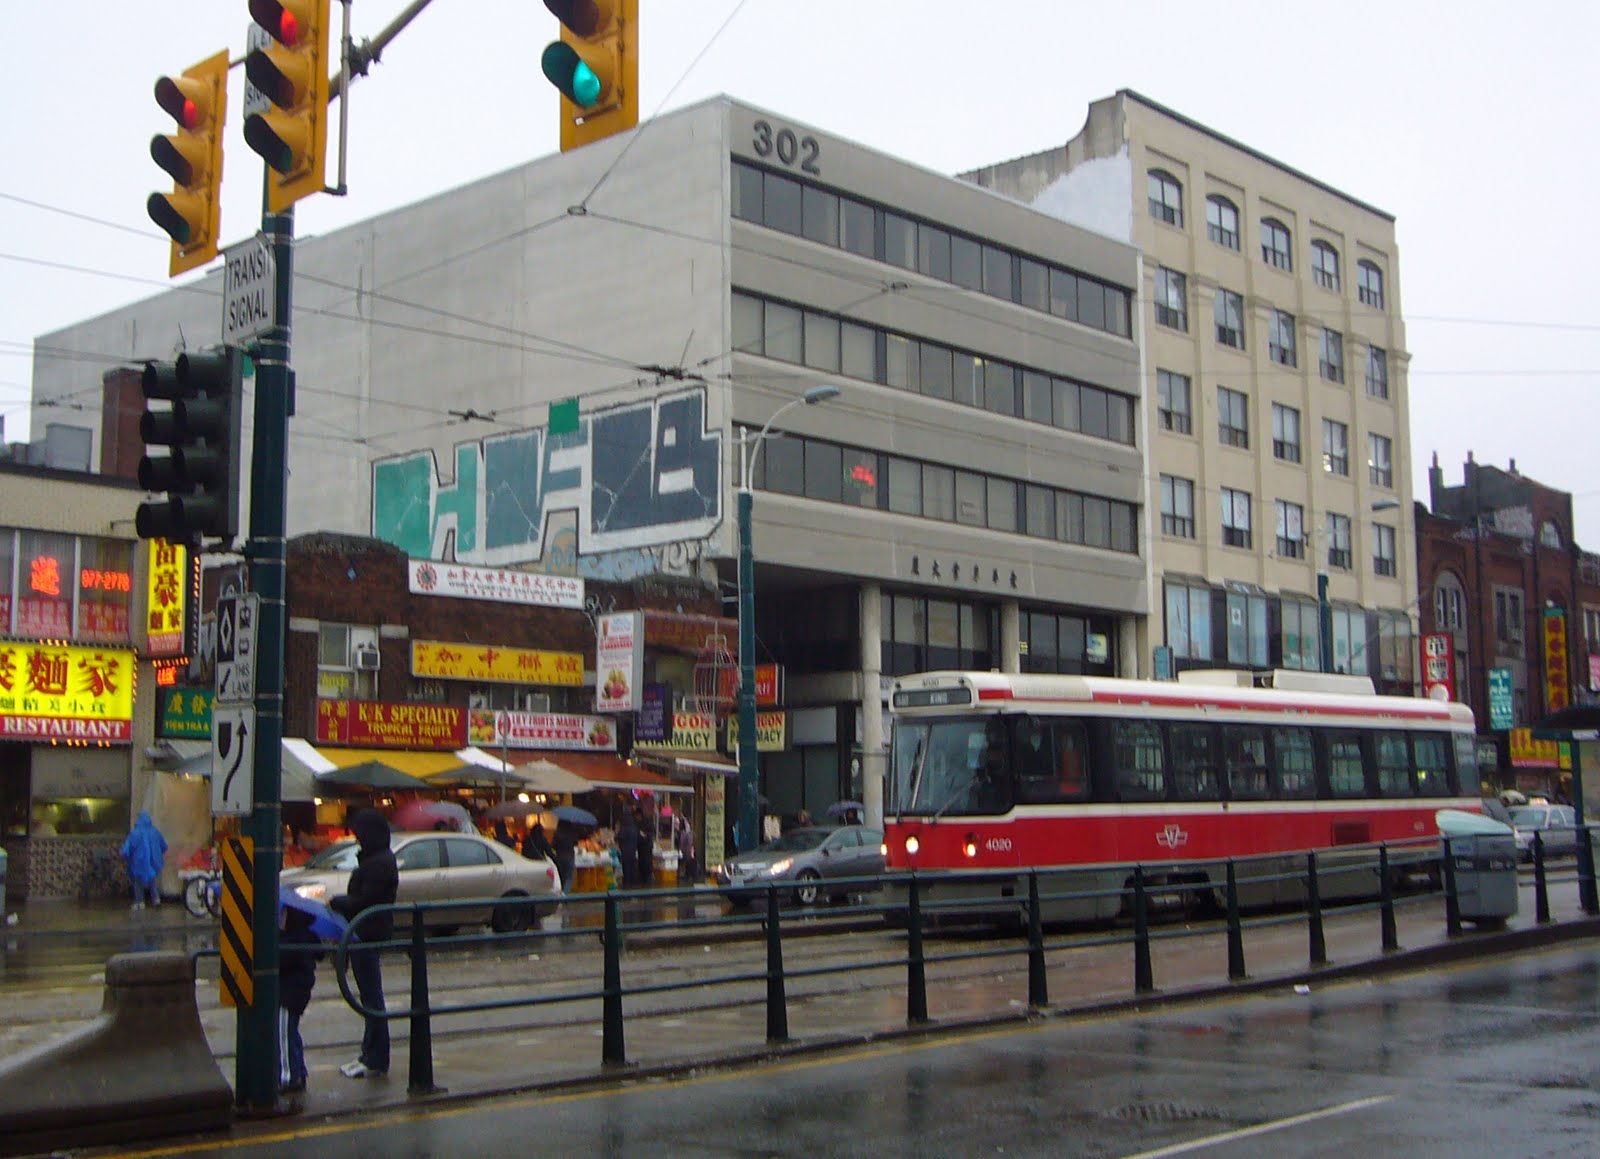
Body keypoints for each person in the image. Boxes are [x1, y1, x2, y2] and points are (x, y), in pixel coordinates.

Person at [329, 808, 396, 1079]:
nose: (356, 839)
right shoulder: (376, 860)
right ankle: (370, 1053)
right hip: (364, 931)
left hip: (366, 932)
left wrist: (339, 902)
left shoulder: (378, 864)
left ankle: (376, 1055)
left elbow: (366, 900)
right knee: (369, 995)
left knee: (371, 997)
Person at [277, 901, 323, 1096]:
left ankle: (288, 1077)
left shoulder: (292, 942)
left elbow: (280, 959)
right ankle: (299, 1071)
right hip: (295, 995)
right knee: (291, 1033)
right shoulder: (304, 938)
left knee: (284, 1036)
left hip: (287, 996)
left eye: (284, 914)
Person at [120, 810, 167, 910]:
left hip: (138, 862)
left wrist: (125, 856)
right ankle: (156, 899)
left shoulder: (135, 833)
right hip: (153, 863)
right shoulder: (155, 832)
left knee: (138, 883)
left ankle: (139, 902)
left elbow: (127, 848)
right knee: (152, 881)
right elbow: (164, 846)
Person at [552, 818, 579, 893]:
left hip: (559, 856)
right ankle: (564, 895)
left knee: (561, 877)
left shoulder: (557, 833)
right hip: (570, 856)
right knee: (569, 877)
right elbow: (576, 842)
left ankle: (560, 894)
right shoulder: (572, 832)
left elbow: (553, 845)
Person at [615, 810, 641, 888]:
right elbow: (639, 838)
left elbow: (619, 837)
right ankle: (632, 882)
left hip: (625, 850)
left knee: (626, 866)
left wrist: (616, 833)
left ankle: (627, 882)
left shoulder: (625, 828)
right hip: (633, 850)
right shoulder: (635, 828)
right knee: (632, 866)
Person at [633, 806, 653, 888]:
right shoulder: (637, 823)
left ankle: (647, 880)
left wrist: (645, 835)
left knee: (646, 863)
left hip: (646, 846)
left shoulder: (646, 823)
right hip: (641, 847)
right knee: (642, 863)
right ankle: (643, 880)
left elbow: (651, 834)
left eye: (637, 816)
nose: (636, 818)